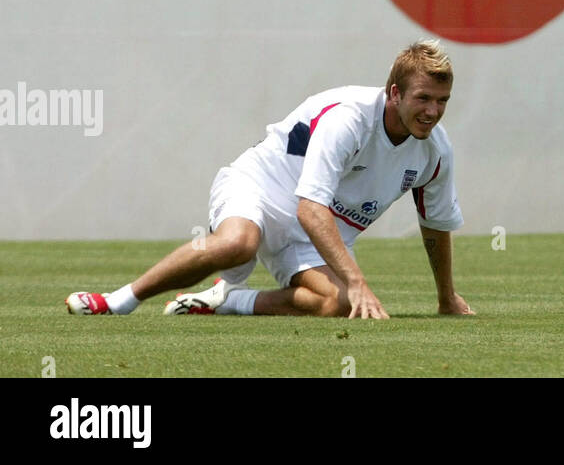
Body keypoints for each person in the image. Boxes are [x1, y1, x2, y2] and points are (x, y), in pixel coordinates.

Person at [65, 39, 473, 319]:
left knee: (337, 303)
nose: (433, 112)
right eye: (423, 98)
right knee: (238, 244)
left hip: (312, 230)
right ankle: (120, 300)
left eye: (442, 101)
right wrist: (359, 279)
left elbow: (434, 225)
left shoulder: (436, 151)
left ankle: (230, 301)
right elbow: (310, 208)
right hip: (260, 189)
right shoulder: (349, 120)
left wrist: (446, 298)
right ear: (395, 93)